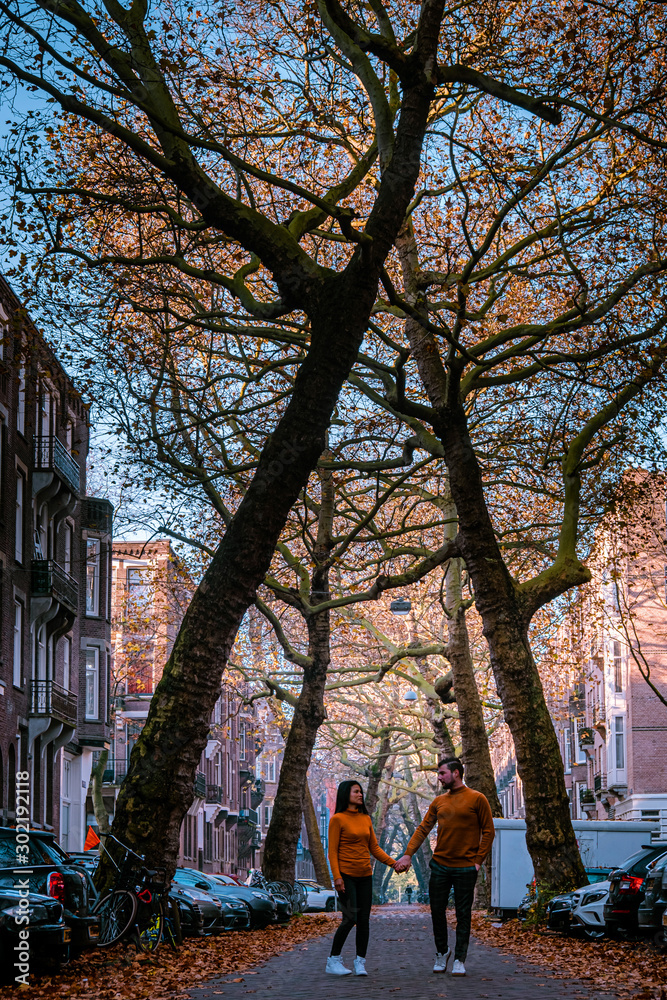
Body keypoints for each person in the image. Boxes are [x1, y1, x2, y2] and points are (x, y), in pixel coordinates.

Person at [394, 757, 494, 978]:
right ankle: (442, 952)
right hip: (440, 865)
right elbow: (422, 829)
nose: (439, 777)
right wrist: (408, 854)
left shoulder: (478, 799)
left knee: (463, 914)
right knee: (436, 911)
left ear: (456, 773)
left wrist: (478, 861)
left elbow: (488, 831)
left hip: (466, 867)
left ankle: (459, 959)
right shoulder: (439, 801)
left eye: (442, 773)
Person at [326, 779, 396, 977]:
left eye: (361, 792)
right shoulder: (337, 819)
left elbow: (374, 848)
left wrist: (394, 864)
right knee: (350, 918)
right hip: (346, 876)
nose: (360, 795)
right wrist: (337, 877)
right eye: (356, 791)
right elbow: (332, 852)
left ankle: (360, 962)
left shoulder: (365, 818)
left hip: (365, 876)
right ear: (345, 794)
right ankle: (333, 960)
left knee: (363, 921)